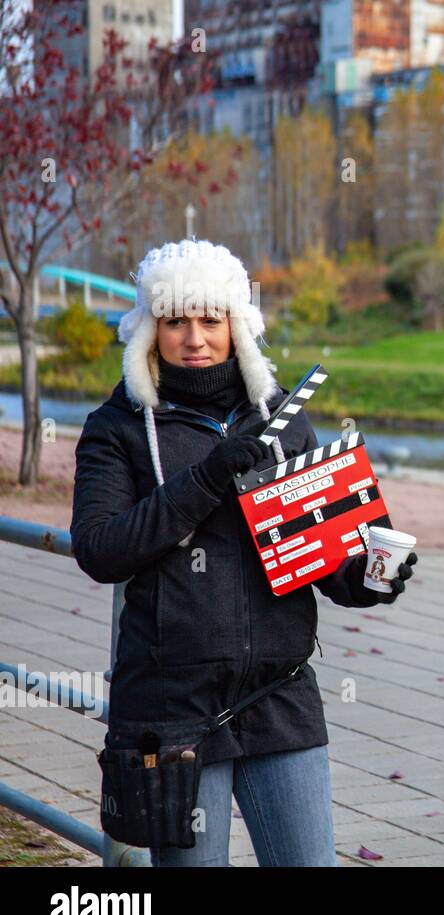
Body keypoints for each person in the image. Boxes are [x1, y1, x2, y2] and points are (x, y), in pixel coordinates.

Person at [71, 239, 417, 866]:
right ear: (150, 330)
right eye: (175, 320)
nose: (194, 337)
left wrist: (367, 576)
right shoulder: (114, 427)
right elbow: (100, 550)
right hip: (175, 707)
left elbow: (321, 557)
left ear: (237, 325)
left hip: (278, 692)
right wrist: (204, 481)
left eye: (211, 318)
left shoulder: (282, 419)